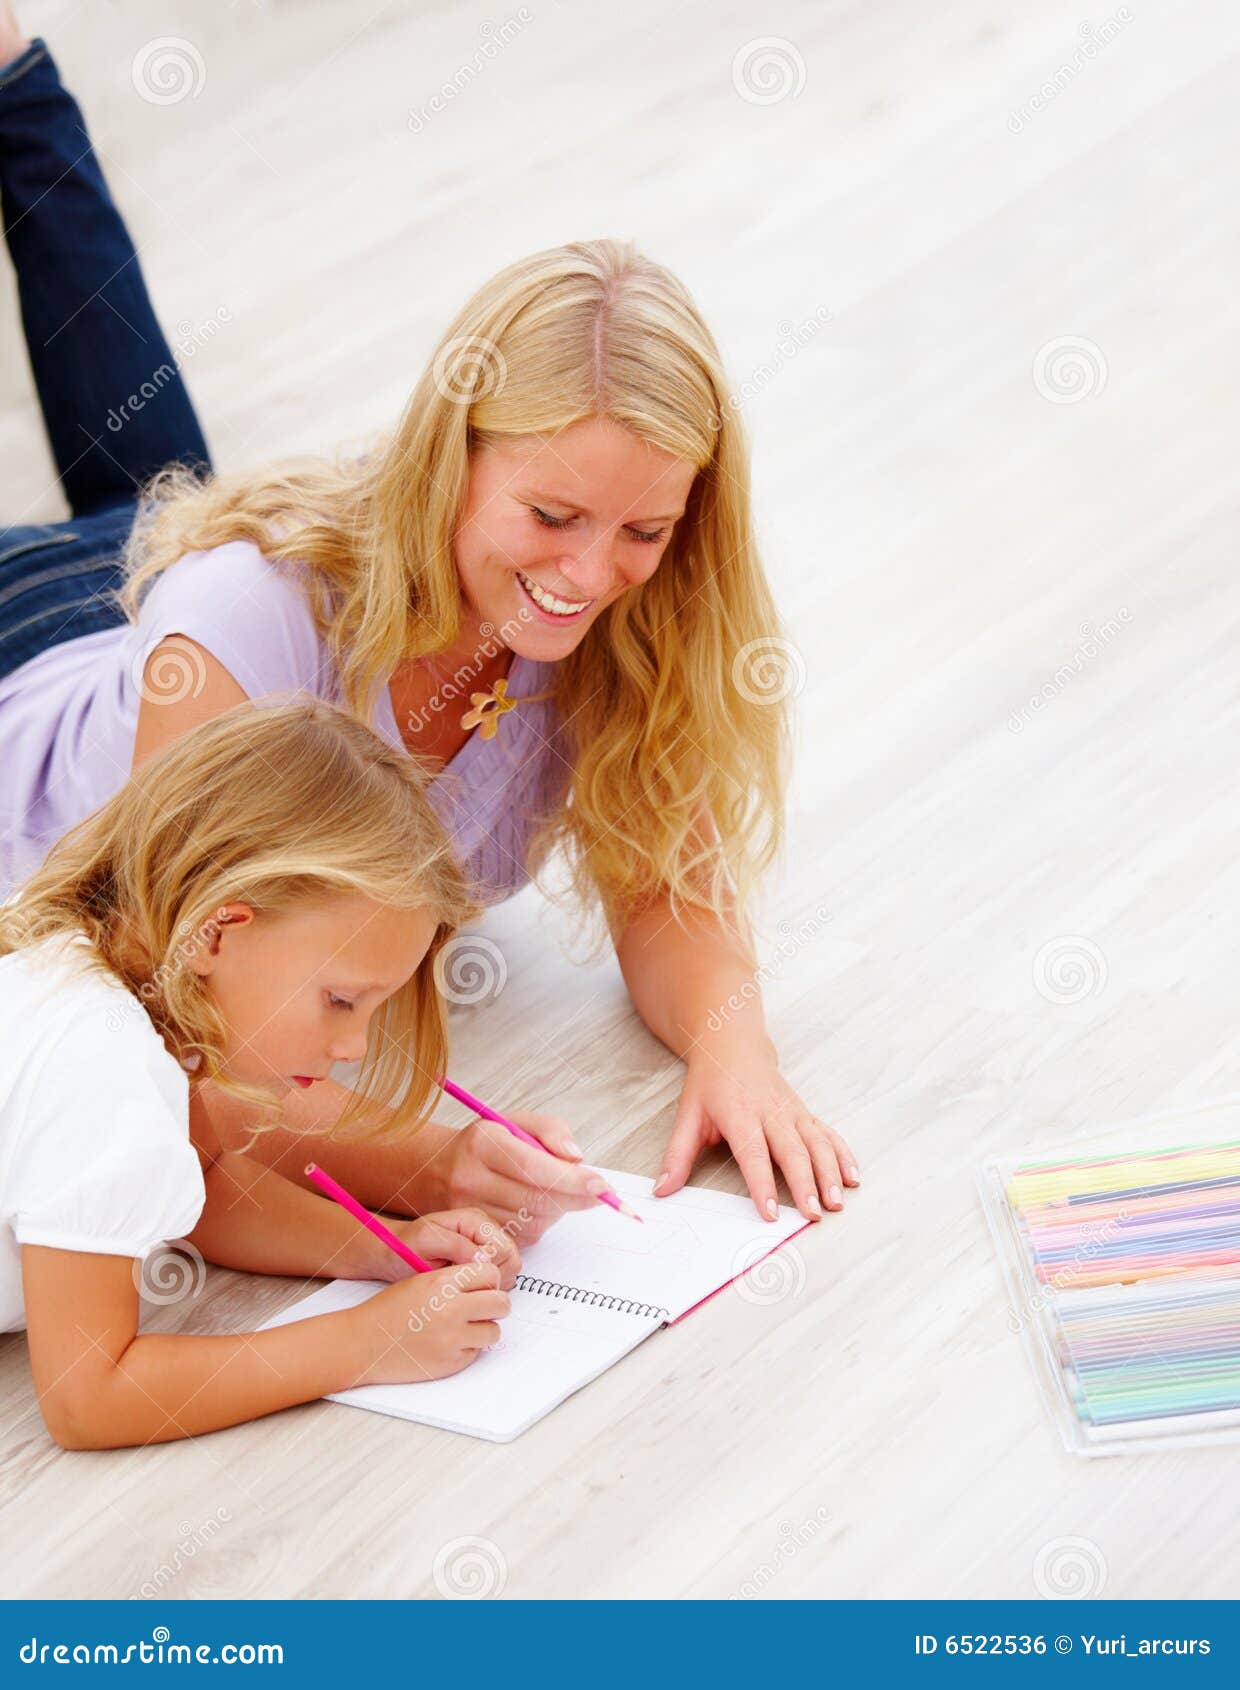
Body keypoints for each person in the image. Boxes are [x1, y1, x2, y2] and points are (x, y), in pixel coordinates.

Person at [0, 18, 859, 1232]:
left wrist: (737, 1053)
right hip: (26, 651)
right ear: (447, 460)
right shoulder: (243, 615)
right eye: (554, 513)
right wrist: (422, 1161)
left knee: (154, 492)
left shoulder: (618, 626)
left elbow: (667, 886)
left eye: (642, 530)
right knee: (187, 538)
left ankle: (17, 87)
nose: (590, 572)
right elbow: (166, 1044)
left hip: (180, 610)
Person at [0, 697, 544, 1450]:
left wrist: (384, 1246)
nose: (353, 1047)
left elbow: (204, 1184)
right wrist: (365, 1345)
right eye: (341, 1000)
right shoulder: (101, 1063)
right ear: (220, 931)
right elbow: (89, 1396)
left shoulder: (108, 963)